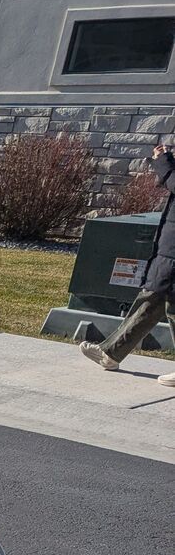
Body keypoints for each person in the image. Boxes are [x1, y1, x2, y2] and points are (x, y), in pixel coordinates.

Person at [81, 143, 175, 386]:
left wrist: (164, 162)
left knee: (171, 306)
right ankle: (111, 353)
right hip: (169, 250)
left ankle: (111, 353)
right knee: (151, 299)